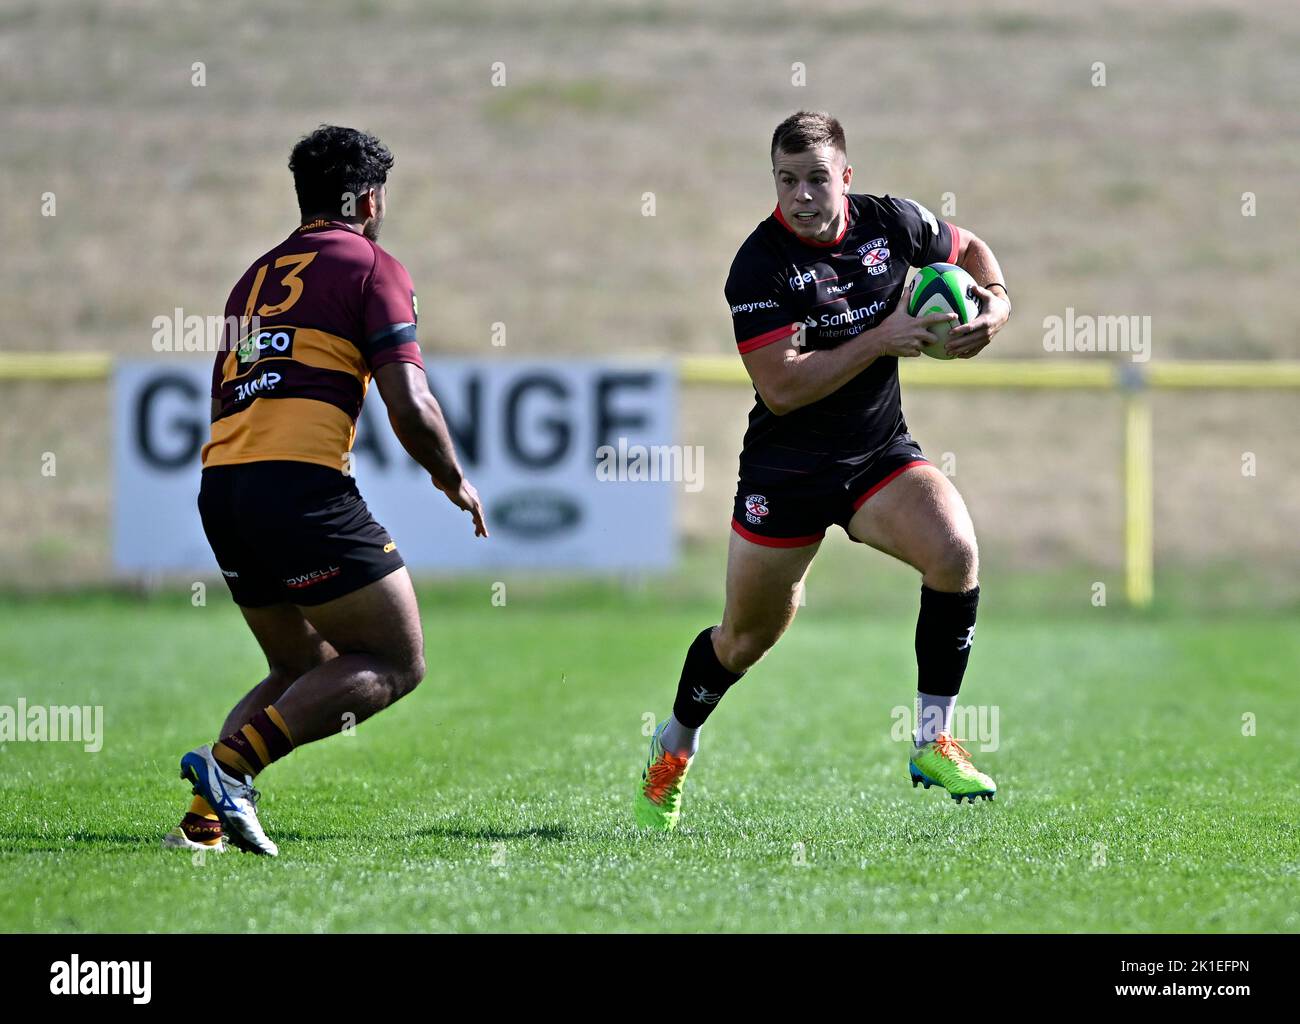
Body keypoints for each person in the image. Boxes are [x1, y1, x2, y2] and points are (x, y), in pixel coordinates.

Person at [635, 111, 1011, 830]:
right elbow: (783, 386)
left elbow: (973, 251)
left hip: (876, 456)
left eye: (816, 179)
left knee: (955, 551)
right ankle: (675, 744)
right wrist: (882, 340)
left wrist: (996, 305)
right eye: (786, 180)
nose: (802, 195)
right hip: (788, 474)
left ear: (845, 176)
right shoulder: (758, 266)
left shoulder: (893, 223)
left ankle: (933, 738)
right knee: (744, 639)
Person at [165, 125, 486, 856]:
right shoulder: (372, 267)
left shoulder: (252, 277)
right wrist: (452, 478)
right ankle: (229, 770)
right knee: (397, 659)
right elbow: (411, 404)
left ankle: (204, 823)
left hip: (224, 487)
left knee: (298, 665)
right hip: (299, 488)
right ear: (370, 200)